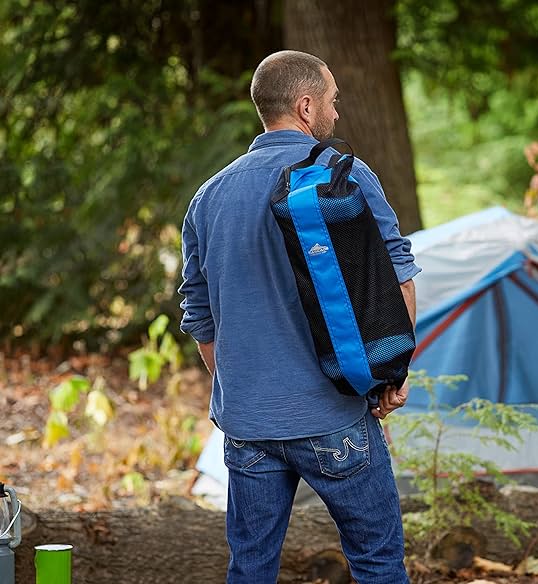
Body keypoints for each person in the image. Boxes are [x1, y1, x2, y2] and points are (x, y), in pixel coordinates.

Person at [178, 50, 419, 584]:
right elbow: (398, 276)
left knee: (251, 569)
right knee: (378, 564)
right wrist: (391, 376)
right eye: (332, 100)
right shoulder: (343, 178)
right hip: (330, 417)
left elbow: (199, 316)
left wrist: (244, 389)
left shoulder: (208, 197)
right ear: (306, 106)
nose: (337, 111)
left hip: (247, 427)